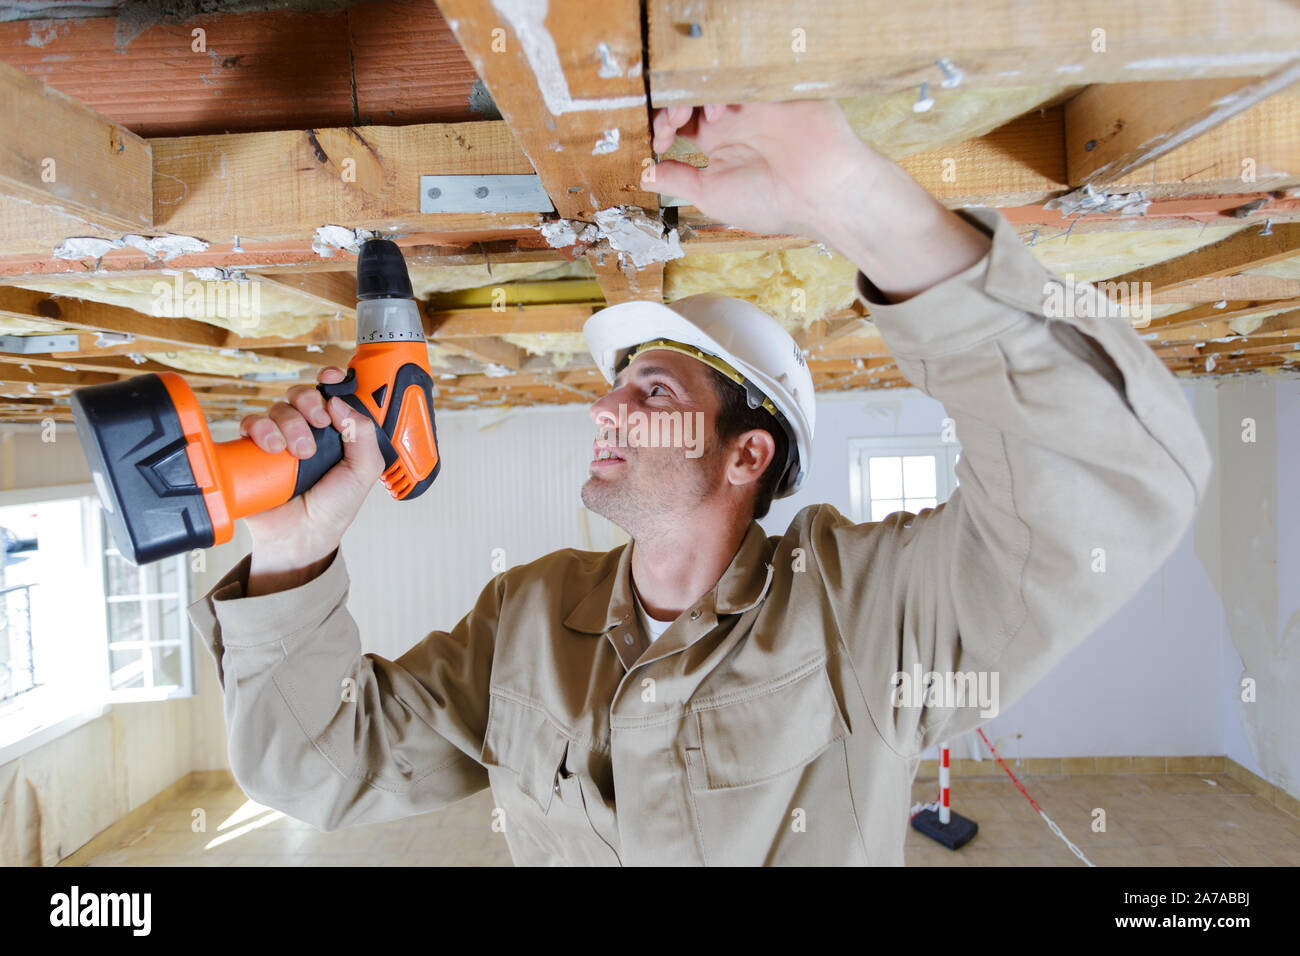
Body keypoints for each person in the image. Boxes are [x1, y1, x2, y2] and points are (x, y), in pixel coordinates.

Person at [189, 100, 1211, 865]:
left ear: (746, 452)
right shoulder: (527, 613)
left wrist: (847, 197)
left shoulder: (865, 610)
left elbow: (1112, 477)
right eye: (614, 385)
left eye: (649, 386)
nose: (603, 408)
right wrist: (291, 550)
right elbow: (317, 767)